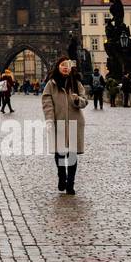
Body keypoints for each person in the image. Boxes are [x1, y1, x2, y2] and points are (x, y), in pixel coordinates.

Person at [42, 57, 88, 195]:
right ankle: (62, 176)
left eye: (67, 65)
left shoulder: (76, 83)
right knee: (60, 153)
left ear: (70, 67)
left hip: (75, 122)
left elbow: (85, 101)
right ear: (58, 67)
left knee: (72, 155)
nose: (65, 67)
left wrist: (77, 100)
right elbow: (47, 102)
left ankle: (70, 184)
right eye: (62, 65)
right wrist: (49, 119)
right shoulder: (51, 84)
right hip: (59, 122)